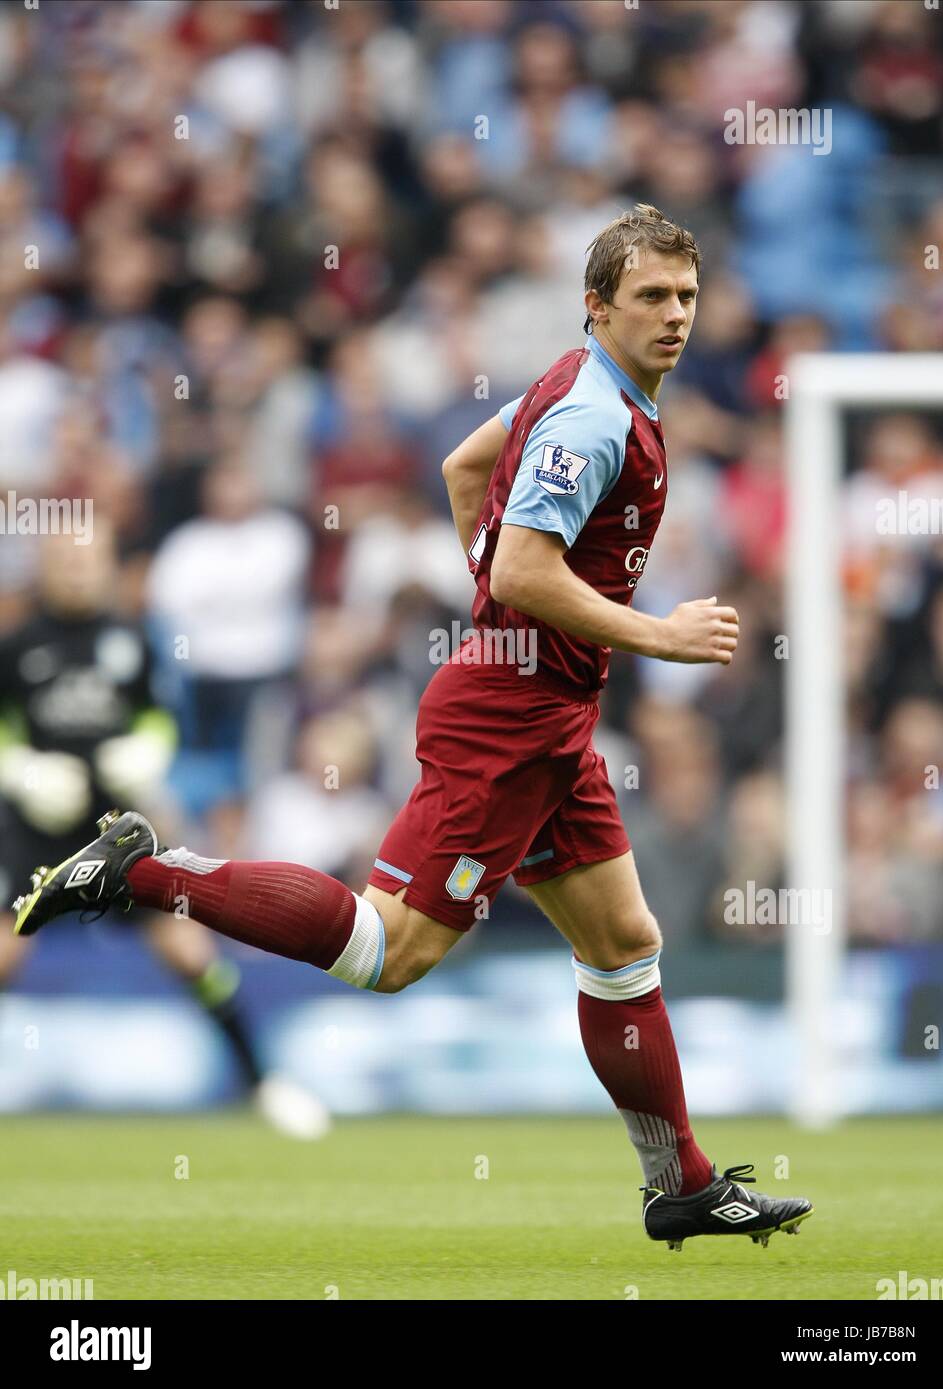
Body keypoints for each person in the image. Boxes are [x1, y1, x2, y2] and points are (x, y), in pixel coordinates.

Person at [10, 206, 811, 1248]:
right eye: (651, 297)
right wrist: (646, 633)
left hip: (543, 710)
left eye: (687, 297)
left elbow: (463, 475)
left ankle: (683, 1183)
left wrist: (501, 610)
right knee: (389, 952)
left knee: (623, 944)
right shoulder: (590, 419)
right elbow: (525, 564)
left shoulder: (575, 388)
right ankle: (146, 872)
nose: (675, 316)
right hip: (509, 720)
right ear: (596, 305)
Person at [0, 529, 328, 1141]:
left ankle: (262, 1084)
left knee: (190, 955)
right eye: (66, 562)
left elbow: (158, 717)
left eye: (88, 561)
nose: (77, 572)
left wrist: (147, 750)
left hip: (117, 830)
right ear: (46, 568)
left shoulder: (131, 639)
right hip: (38, 829)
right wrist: (22, 770)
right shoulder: (17, 644)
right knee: (6, 955)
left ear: (106, 568)